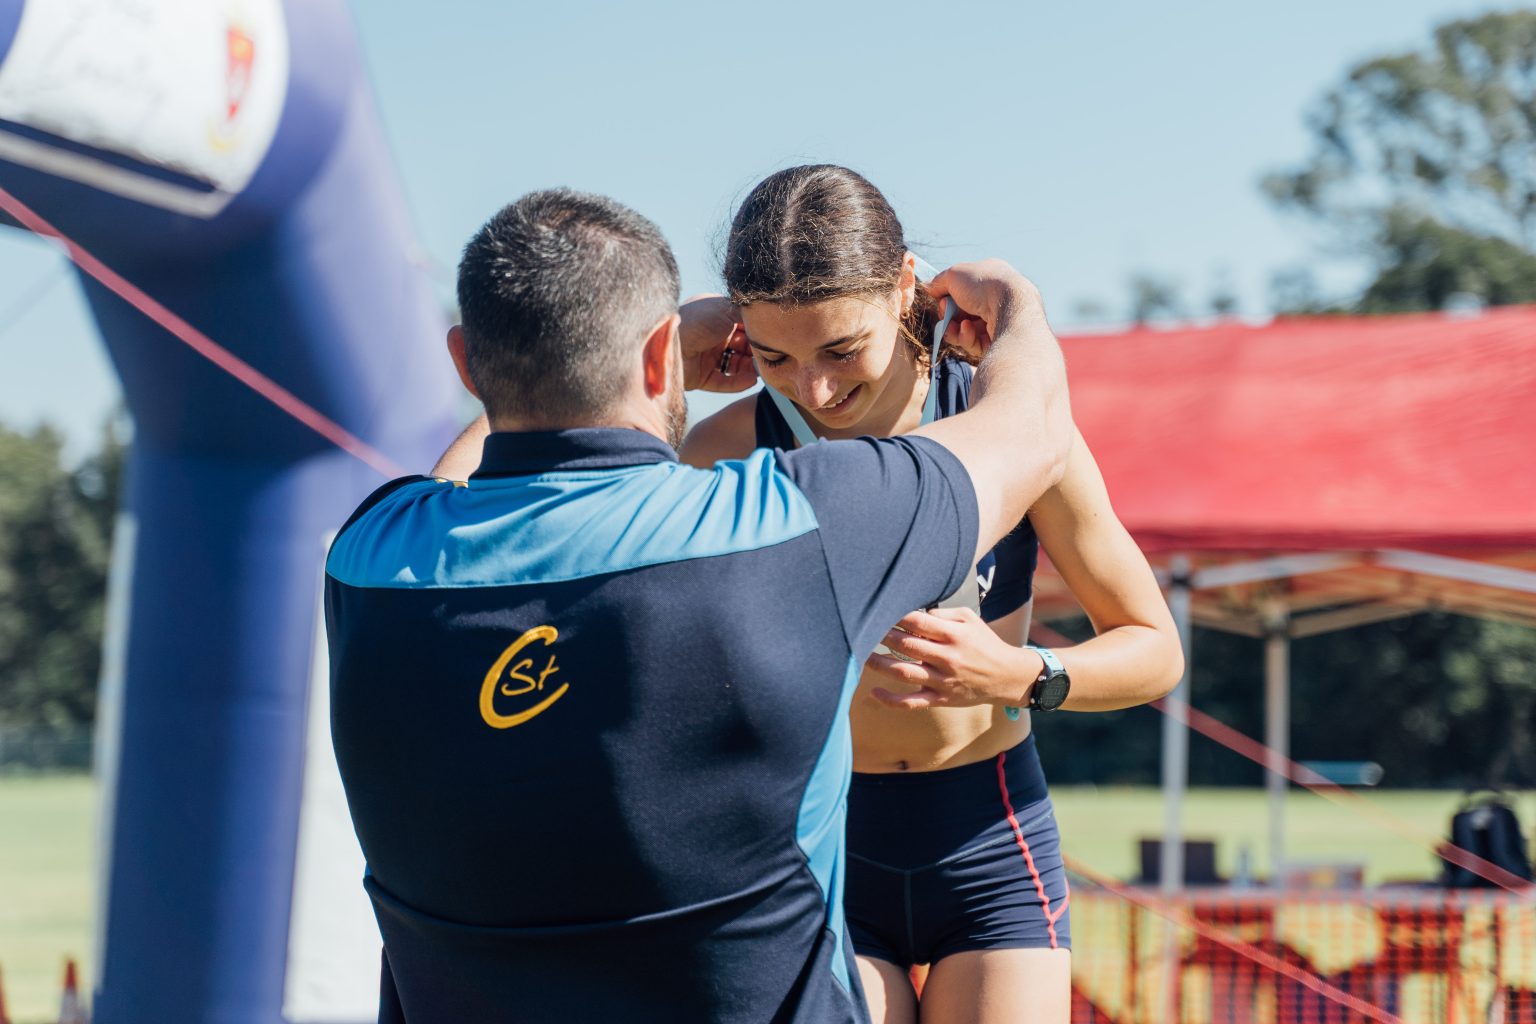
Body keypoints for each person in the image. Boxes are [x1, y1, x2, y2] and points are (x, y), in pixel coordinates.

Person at [325, 187, 1075, 1023]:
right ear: (658, 361)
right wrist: (1016, 304)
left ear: (466, 364)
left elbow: (460, 483)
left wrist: (658, 342)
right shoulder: (786, 529)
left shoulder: (368, 560)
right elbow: (1032, 429)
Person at [679, 165, 1183, 1024]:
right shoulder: (728, 448)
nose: (816, 391)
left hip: (987, 831)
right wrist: (653, 358)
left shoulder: (1011, 428)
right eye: (775, 358)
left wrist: (1024, 674)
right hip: (819, 839)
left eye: (842, 351)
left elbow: (1154, 649)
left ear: (904, 285)